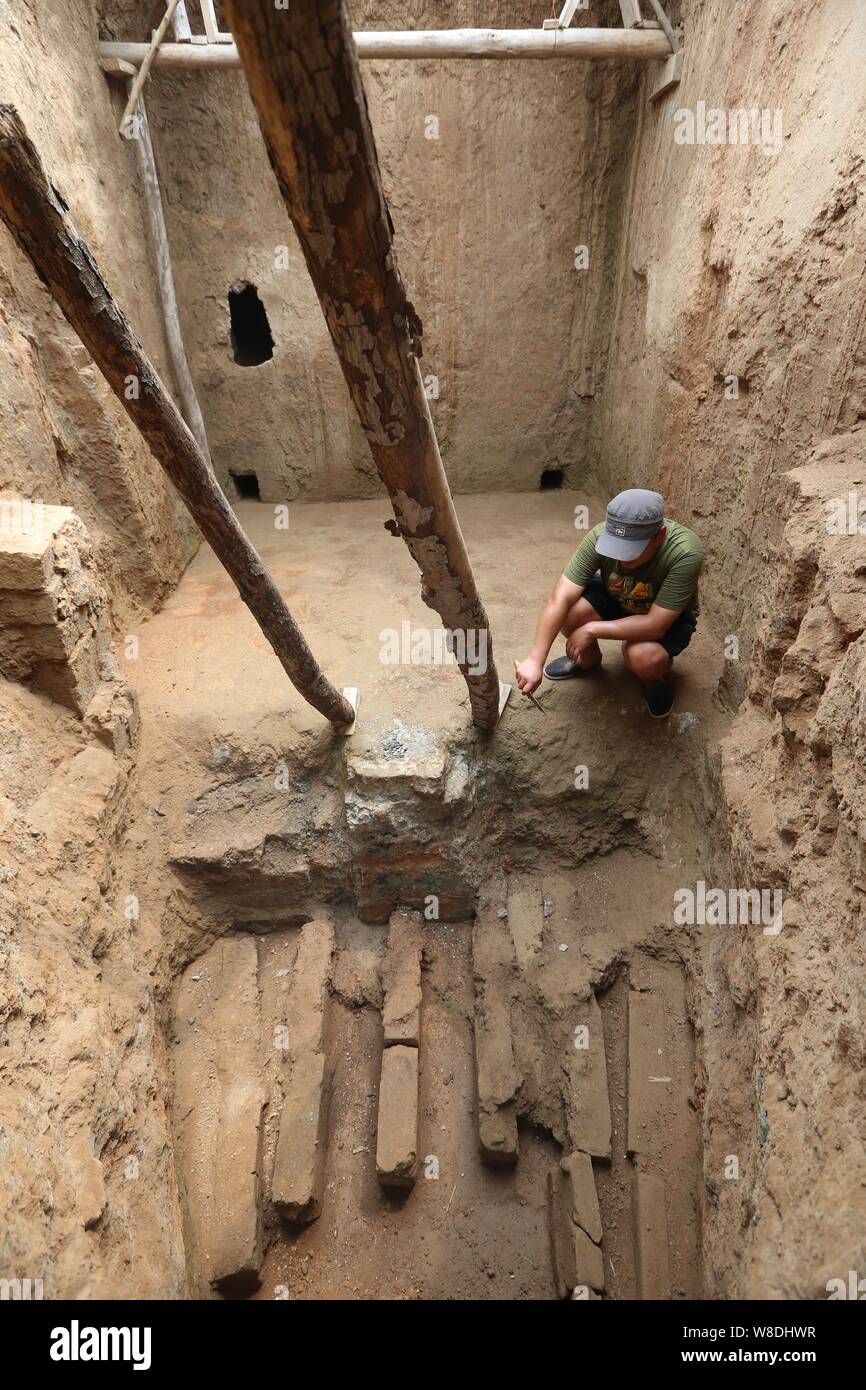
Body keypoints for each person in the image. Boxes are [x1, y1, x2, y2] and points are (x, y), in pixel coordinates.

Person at [515, 489, 704, 718]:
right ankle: (588, 661)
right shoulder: (597, 535)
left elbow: (656, 624)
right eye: (616, 547)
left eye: (631, 551)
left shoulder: (685, 552)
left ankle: (654, 679)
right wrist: (535, 660)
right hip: (617, 596)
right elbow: (560, 597)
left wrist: (591, 629)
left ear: (660, 535)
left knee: (643, 658)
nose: (622, 557)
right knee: (568, 613)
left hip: (662, 617)